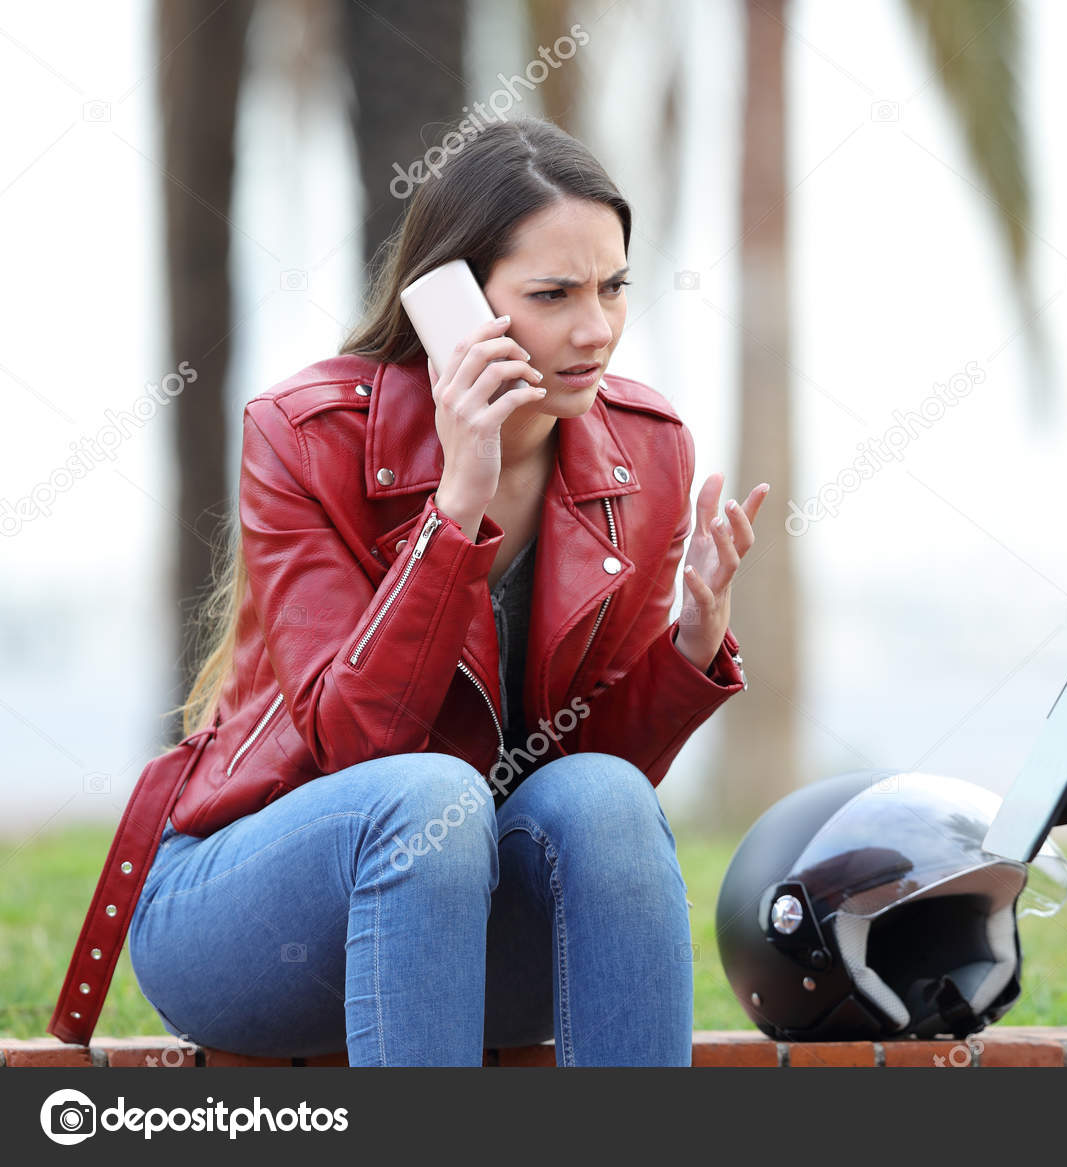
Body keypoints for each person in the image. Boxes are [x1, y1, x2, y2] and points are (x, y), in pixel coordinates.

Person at [124, 116, 769, 1067]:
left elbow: (582, 776)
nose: (595, 330)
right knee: (429, 796)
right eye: (553, 295)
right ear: (449, 303)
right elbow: (356, 746)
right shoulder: (305, 439)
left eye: (613, 287)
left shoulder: (648, 450)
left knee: (604, 797)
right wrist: (455, 507)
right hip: (246, 925)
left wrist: (689, 644)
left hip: (467, 936)